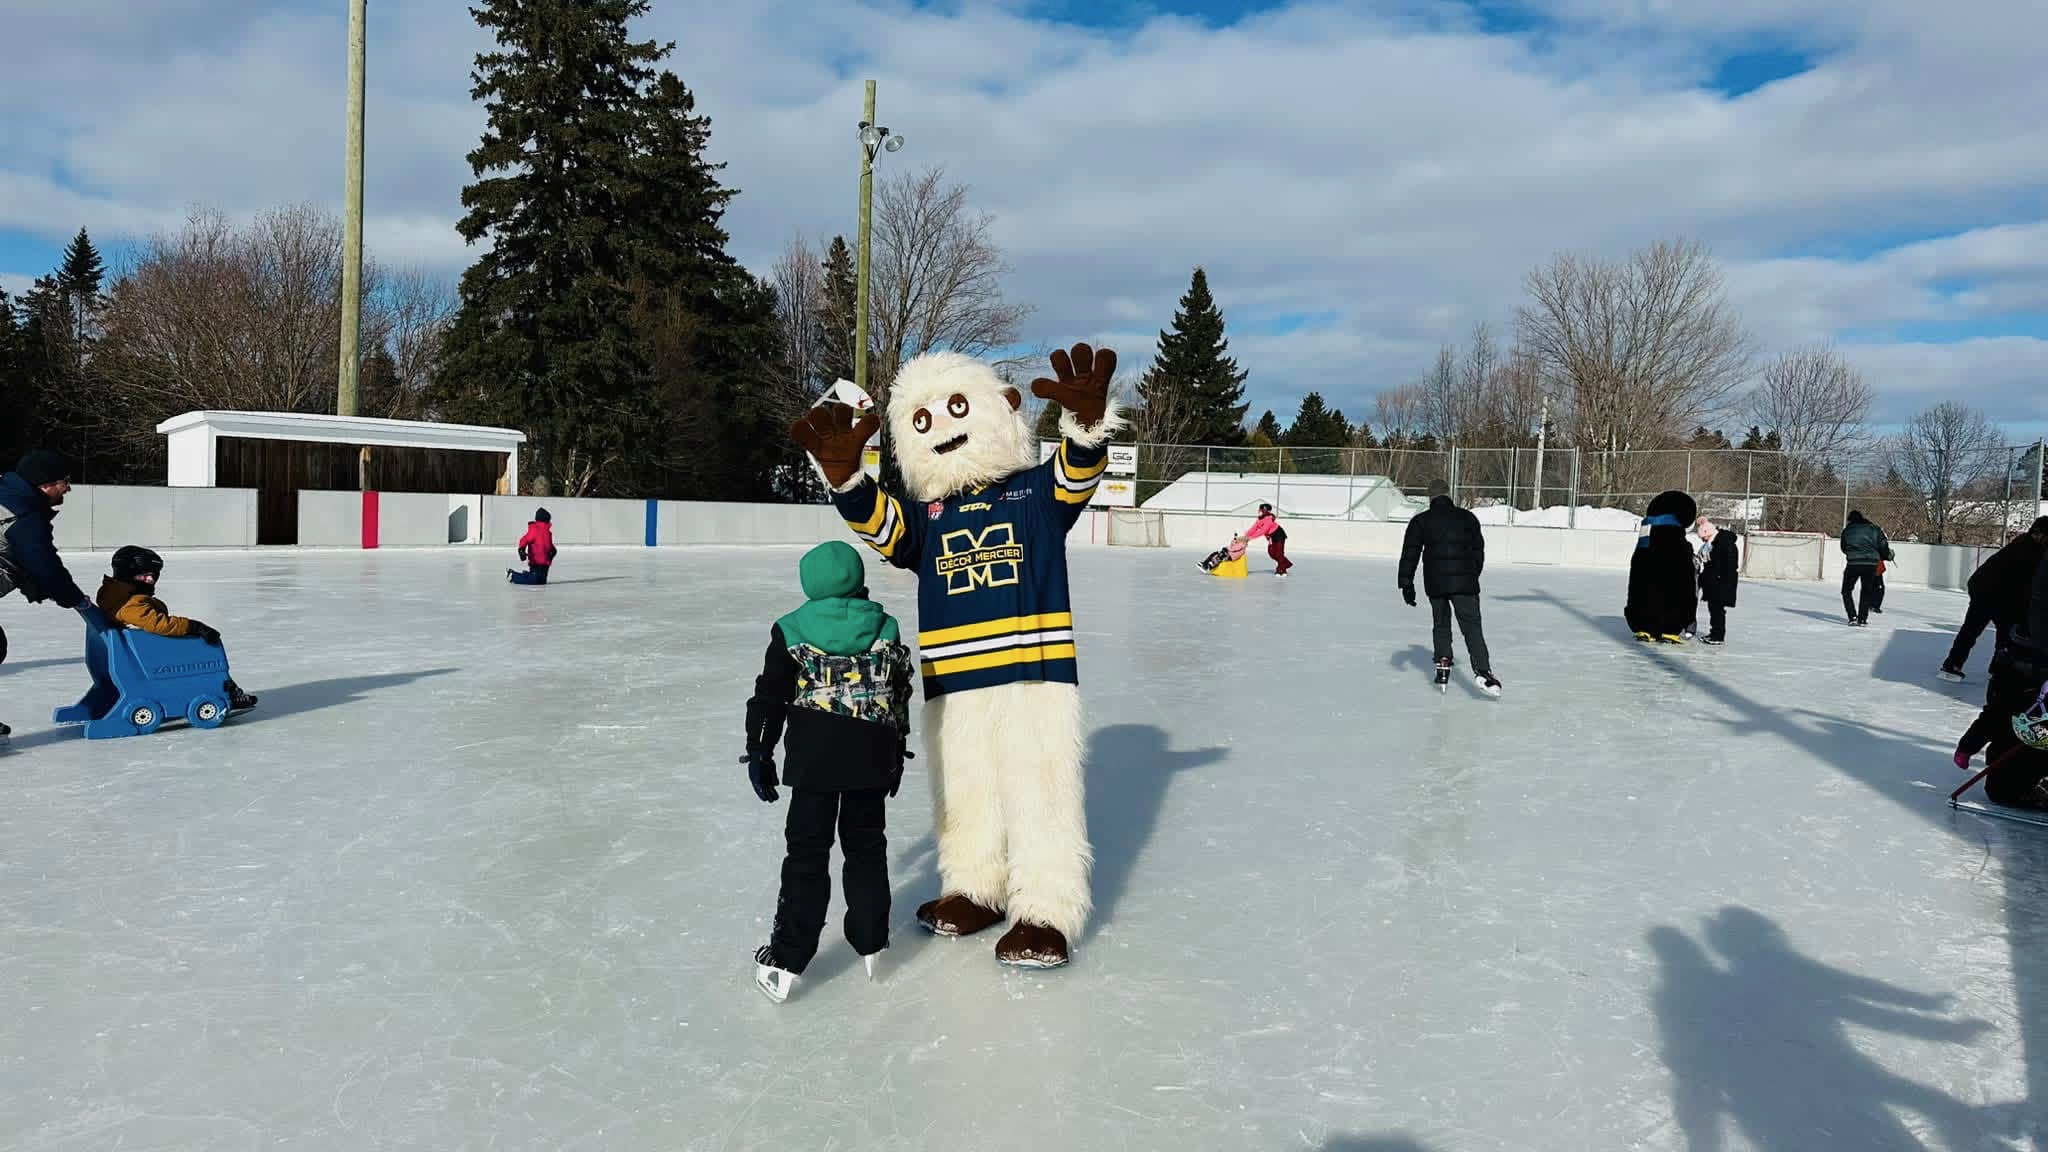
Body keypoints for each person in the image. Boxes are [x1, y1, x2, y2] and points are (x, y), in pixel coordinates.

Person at [743, 540, 914, 1002]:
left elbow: (769, 697)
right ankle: (871, 940)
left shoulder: (791, 628)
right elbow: (898, 693)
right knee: (866, 847)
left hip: (814, 760)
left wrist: (760, 752)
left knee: (806, 853)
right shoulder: (885, 625)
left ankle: (787, 957)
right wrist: (898, 751)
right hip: (871, 756)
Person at [96, 546, 257, 712]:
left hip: (143, 647)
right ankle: (226, 690)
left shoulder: (114, 594)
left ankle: (226, 687)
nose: (150, 580)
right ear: (127, 574)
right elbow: (160, 624)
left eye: (153, 575)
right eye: (144, 575)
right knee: (205, 646)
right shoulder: (129, 605)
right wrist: (195, 627)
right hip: (152, 653)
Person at [0, 450, 88, 739]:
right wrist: (76, 600)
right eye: (65, 481)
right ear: (45, 484)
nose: (68, 488)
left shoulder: (8, 494)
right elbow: (46, 568)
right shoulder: (24, 516)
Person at [1399, 478, 1500, 695]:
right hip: (1465, 584)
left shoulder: (1421, 521)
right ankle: (1483, 671)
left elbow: (1410, 554)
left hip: (1435, 583)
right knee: (1472, 627)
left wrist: (1406, 584)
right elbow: (1478, 551)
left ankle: (1443, 661)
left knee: (1441, 623)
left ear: (1430, 497)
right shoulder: (1467, 517)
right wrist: (1472, 575)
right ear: (1448, 494)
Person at [1939, 516, 2048, 681]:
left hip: (1995, 593)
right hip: (1988, 593)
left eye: (2041, 534)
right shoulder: (2029, 550)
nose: (2039, 537)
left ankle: (1992, 667)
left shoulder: (2027, 546)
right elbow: (2026, 585)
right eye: (2037, 533)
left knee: (2000, 633)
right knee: (1978, 630)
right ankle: (1955, 665)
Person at [1626, 490, 1699, 643]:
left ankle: (1644, 626)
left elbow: (1635, 580)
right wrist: (1688, 614)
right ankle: (1669, 628)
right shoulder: (1678, 543)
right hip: (1672, 616)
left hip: (1641, 608)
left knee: (1643, 585)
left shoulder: (1645, 537)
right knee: (1676, 586)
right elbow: (1687, 583)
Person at [1838, 510, 1893, 626]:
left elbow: (1843, 548)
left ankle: (1852, 616)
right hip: (1871, 564)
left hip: (1853, 564)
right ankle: (1862, 619)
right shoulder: (1874, 529)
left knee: (1846, 591)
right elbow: (1883, 545)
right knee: (1866, 591)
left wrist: (1853, 553)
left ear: (1850, 519)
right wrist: (1885, 556)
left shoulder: (1847, 531)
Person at [1695, 517, 1740, 645]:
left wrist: (1717, 575)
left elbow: (1729, 564)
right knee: (1713, 607)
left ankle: (1718, 635)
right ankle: (1715, 632)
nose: (1703, 540)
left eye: (1703, 537)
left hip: (1722, 582)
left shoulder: (1724, 543)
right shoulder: (1712, 543)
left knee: (1717, 608)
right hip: (1715, 580)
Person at [508, 508, 555, 585]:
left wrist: (553, 551)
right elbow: (524, 540)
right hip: (535, 562)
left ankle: (527, 574)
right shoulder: (534, 530)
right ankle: (513, 576)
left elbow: (548, 544)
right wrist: (521, 550)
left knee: (542, 582)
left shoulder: (548, 533)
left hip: (545, 563)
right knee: (535, 580)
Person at [1243, 502, 1291, 576]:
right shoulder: (1259, 520)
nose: (1259, 511)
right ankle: (1286, 564)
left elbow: (1263, 531)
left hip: (1279, 535)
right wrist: (1245, 536)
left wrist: (1250, 538)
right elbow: (1253, 529)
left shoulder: (1268, 519)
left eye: (1261, 510)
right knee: (1271, 553)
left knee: (1279, 553)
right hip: (1271, 537)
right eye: (1259, 509)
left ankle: (1281, 570)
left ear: (1265, 511)